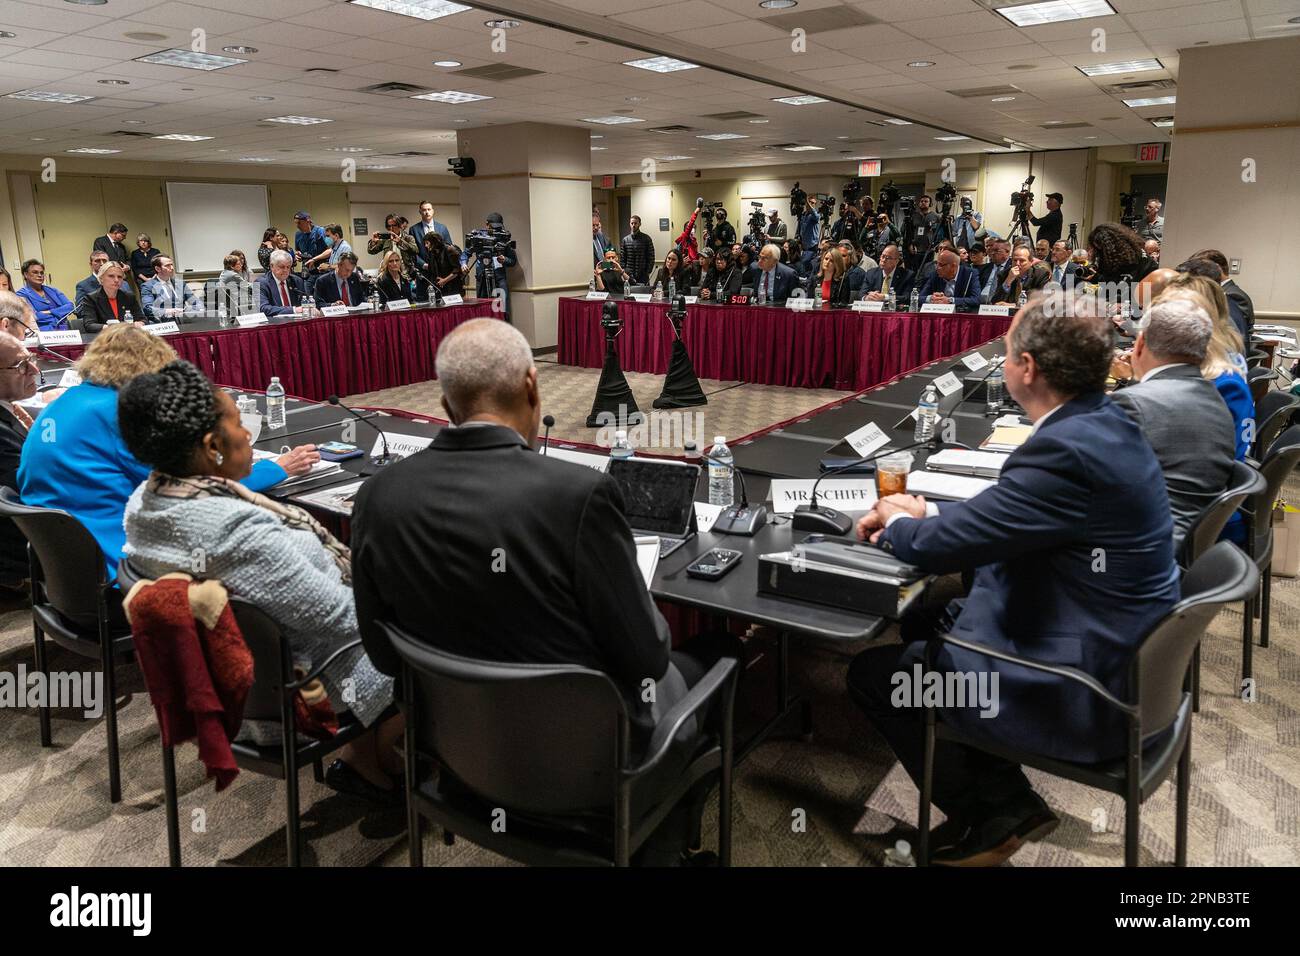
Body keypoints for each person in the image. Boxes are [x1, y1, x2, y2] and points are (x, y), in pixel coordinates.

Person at [351, 318, 730, 864]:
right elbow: (647, 659)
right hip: (588, 763)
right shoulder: (579, 495)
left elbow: (384, 653)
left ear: (444, 401)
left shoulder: (379, 496)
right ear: (533, 385)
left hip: (459, 752)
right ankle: (661, 838)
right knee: (719, 659)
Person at [847, 293, 1180, 866]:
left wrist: (901, 526)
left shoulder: (1065, 449)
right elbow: (1006, 518)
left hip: (1081, 691)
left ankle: (987, 818)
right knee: (929, 619)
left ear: (1027, 369)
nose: (1003, 363)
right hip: (1115, 654)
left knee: (878, 676)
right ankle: (1007, 800)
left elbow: (942, 549)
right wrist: (927, 516)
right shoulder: (1104, 422)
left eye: (1006, 353)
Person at [119, 360, 400, 799]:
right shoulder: (235, 532)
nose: (249, 434)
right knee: (439, 627)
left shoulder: (146, 500)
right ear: (213, 446)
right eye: (239, 424)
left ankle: (370, 757)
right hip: (289, 698)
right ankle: (401, 756)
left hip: (227, 684)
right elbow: (341, 619)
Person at [18, 324, 316, 577]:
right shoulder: (119, 411)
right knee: (275, 550)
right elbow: (188, 485)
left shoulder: (63, 403)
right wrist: (278, 467)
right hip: (121, 566)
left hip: (66, 568)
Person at [1109, 298, 1236, 547]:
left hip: (1144, 548)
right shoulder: (1215, 397)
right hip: (1192, 541)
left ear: (1140, 343)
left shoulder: (1133, 403)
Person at [0, 325, 38, 598]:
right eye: (21, 366)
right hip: (29, 545)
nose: (34, 371)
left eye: (31, 360)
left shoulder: (9, 410)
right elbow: (31, 489)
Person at [1193, 248, 1254, 333]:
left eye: (1199, 269)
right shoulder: (1223, 292)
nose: (1196, 275)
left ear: (1217, 268)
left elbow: (1233, 331)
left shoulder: (1233, 295)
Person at [466, 212, 516, 311]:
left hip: (499, 280)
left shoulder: (503, 237)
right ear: (487, 224)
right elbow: (466, 252)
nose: (495, 229)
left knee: (502, 310)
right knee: (483, 310)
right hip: (482, 279)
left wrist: (504, 259)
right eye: (493, 227)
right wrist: (464, 264)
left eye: (498, 227)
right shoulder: (479, 237)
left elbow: (513, 261)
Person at [77, 262, 143, 332]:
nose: (116, 280)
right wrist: (114, 327)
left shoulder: (129, 297)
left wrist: (140, 323)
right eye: (111, 276)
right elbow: (89, 325)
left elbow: (142, 319)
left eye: (120, 277)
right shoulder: (91, 298)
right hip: (104, 338)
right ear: (101, 278)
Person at [1087, 222, 1158, 286]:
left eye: (1102, 249)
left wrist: (1099, 279)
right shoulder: (1118, 258)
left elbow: (1122, 288)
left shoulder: (1139, 261)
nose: (1101, 254)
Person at [16, 260, 75, 331]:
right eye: (35, 272)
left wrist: (50, 312)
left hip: (64, 330)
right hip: (43, 332)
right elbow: (34, 317)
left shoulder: (52, 290)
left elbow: (70, 306)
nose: (40, 275)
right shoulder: (21, 294)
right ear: (26, 275)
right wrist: (60, 314)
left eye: (42, 273)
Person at [916, 249, 981, 311]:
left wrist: (950, 300)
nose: (937, 268)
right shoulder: (935, 274)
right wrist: (932, 298)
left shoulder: (970, 274)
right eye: (937, 264)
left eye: (941, 265)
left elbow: (976, 299)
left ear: (953, 266)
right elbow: (919, 298)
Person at [256, 250, 304, 317]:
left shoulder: (297, 281)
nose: (286, 270)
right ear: (272, 266)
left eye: (288, 267)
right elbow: (263, 308)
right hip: (274, 325)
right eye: (282, 267)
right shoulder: (260, 283)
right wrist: (293, 310)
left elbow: (305, 303)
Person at [410, 201, 453, 273]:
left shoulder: (442, 228)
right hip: (423, 270)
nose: (427, 212)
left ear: (433, 211)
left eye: (429, 209)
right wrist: (423, 265)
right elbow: (412, 252)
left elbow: (449, 247)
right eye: (424, 210)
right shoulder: (414, 229)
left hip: (441, 270)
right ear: (420, 212)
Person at [418, 232, 465, 299]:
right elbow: (431, 270)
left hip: (453, 287)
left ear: (434, 242)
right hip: (440, 288)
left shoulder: (449, 249)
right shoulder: (431, 253)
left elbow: (457, 270)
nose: (425, 245)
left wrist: (444, 280)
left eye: (427, 243)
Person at [620, 216, 655, 286]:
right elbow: (622, 258)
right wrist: (625, 271)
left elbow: (651, 257)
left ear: (639, 224)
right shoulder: (625, 240)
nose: (633, 225)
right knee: (629, 295)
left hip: (643, 275)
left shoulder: (646, 239)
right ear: (629, 224)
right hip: (629, 275)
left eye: (635, 223)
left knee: (644, 295)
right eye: (632, 223)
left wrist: (647, 272)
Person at [292, 211, 328, 275]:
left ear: (307, 221)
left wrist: (314, 259)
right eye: (296, 224)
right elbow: (298, 250)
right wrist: (297, 255)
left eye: (299, 223)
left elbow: (330, 250)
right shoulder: (298, 234)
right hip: (307, 271)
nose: (297, 226)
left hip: (321, 269)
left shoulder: (321, 231)